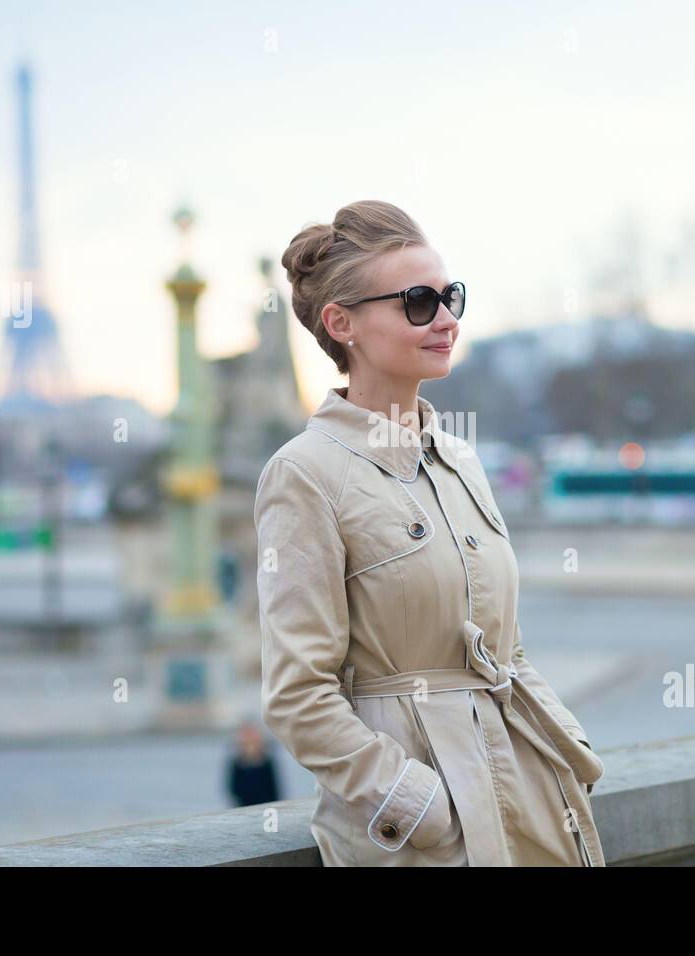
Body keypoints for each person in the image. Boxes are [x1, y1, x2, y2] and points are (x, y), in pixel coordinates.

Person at [254, 200, 605, 867]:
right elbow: (297, 694)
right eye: (417, 301)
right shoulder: (304, 473)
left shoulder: (460, 458)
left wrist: (565, 749)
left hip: (529, 803)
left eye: (450, 297)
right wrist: (416, 802)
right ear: (341, 323)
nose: (445, 320)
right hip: (424, 838)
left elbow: (507, 647)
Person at [227, 721, 281, 807]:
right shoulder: (237, 763)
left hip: (266, 807)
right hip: (244, 809)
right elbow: (233, 790)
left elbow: (274, 791)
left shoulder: (266, 761)